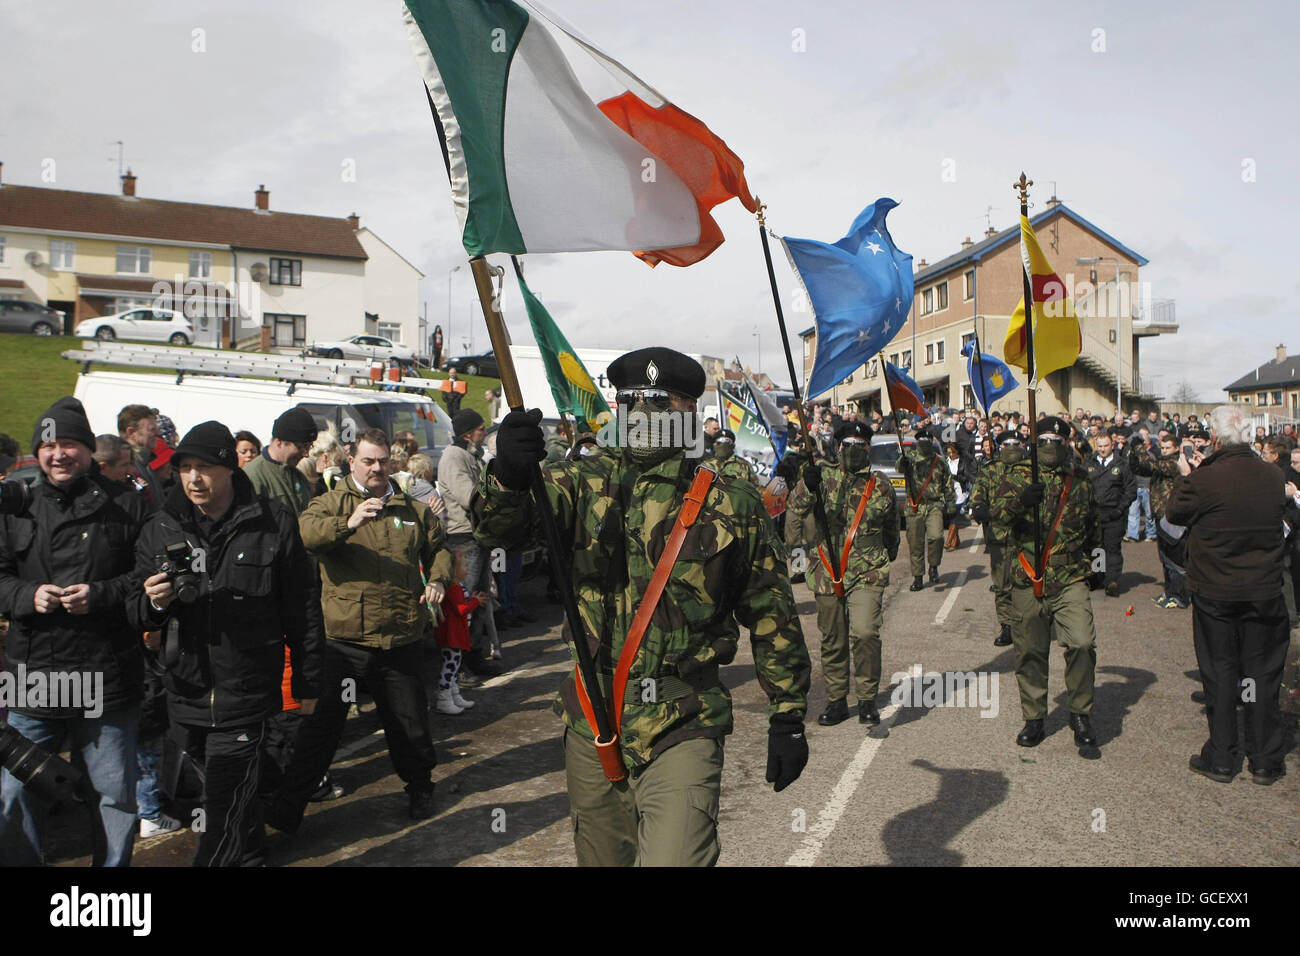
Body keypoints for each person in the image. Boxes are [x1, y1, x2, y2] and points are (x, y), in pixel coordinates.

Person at [479, 347, 810, 867]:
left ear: (689, 414)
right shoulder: (581, 482)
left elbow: (772, 613)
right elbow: (502, 532)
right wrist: (508, 476)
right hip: (595, 717)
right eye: (635, 401)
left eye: (663, 402)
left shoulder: (732, 501)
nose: (647, 414)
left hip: (684, 719)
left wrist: (787, 716)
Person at [128, 421, 324, 865]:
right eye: (185, 468)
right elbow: (133, 610)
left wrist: (309, 684)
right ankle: (251, 854)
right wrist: (154, 605)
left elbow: (302, 608)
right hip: (186, 693)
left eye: (205, 467)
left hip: (247, 691)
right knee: (227, 798)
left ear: (230, 469)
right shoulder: (161, 527)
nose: (194, 478)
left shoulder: (273, 523)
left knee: (221, 803)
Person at [268, 428, 452, 830]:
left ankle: (420, 787)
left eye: (383, 460)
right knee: (319, 731)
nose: (377, 468)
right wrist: (347, 523)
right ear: (351, 462)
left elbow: (439, 548)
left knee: (410, 726)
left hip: (399, 636)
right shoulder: (329, 504)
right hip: (343, 642)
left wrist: (437, 580)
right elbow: (305, 537)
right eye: (368, 461)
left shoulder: (411, 508)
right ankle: (286, 812)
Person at [0, 397, 149, 867]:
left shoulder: (127, 503)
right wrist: (28, 597)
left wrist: (101, 594)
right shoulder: (15, 505)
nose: (58, 454)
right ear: (37, 453)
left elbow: (146, 576)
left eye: (69, 444)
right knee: (12, 795)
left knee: (113, 797)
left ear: (88, 451)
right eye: (48, 445)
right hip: (32, 676)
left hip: (106, 676)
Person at [1165, 406, 1290, 785]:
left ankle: (1222, 756)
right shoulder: (1272, 475)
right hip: (1263, 590)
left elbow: (1174, 514)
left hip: (1217, 591)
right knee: (1261, 675)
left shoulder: (1206, 478)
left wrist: (1190, 476)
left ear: (1216, 438)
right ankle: (1264, 758)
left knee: (1220, 671)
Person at [987, 416, 1101, 750]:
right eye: (1044, 437)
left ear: (1066, 443)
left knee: (1082, 643)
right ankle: (1034, 717)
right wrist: (1020, 501)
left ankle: (1080, 712)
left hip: (1070, 577)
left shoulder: (1080, 481)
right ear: (1034, 442)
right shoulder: (1017, 476)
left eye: (1057, 438)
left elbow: (1095, 527)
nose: (1050, 443)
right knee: (1030, 651)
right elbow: (995, 519)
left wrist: (1099, 567)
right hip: (1027, 575)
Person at [786, 420, 898, 726]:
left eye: (859, 446)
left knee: (865, 633)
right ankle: (836, 700)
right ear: (838, 447)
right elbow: (794, 507)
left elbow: (891, 529)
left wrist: (884, 558)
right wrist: (807, 485)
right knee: (833, 639)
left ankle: (866, 699)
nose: (853, 451)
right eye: (847, 445)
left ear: (868, 449)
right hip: (828, 569)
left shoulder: (881, 484)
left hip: (867, 572)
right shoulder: (821, 476)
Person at [437, 408, 501, 682]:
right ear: (467, 433)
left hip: (476, 535)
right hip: (462, 537)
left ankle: (474, 657)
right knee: (465, 602)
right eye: (480, 428)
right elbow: (469, 496)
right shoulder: (454, 457)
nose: (484, 433)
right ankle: (460, 667)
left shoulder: (468, 456)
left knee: (480, 599)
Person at [969, 432, 1027, 647]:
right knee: (1003, 585)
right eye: (1006, 444)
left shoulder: (1031, 470)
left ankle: (1029, 622)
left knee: (1029, 582)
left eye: (1015, 444)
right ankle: (1007, 625)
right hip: (1000, 537)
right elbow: (978, 497)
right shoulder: (990, 470)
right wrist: (979, 508)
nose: (1011, 447)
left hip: (1027, 537)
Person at [1130, 433, 1188, 609]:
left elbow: (1150, 464)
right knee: (1165, 558)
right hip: (1160, 514)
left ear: (1176, 448)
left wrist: (1140, 446)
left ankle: (1180, 596)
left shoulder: (1175, 463)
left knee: (1175, 559)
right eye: (1162, 448)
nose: (1164, 451)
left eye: (1168, 448)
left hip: (1172, 516)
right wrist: (1133, 452)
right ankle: (1170, 592)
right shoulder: (1163, 462)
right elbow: (1140, 468)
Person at [899, 427, 954, 590]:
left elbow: (948, 483)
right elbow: (899, 467)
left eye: (927, 441)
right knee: (915, 543)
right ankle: (917, 578)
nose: (924, 444)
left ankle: (934, 565)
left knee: (936, 537)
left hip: (934, 504)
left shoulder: (940, 461)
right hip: (915, 505)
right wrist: (902, 462)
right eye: (921, 441)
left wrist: (950, 503)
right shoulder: (909, 458)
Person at [434, 550, 486, 715]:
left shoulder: (456, 587)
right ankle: (444, 698)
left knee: (454, 666)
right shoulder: (453, 588)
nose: (467, 569)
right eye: (464, 566)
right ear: (454, 571)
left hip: (454, 633)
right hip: (452, 635)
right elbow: (461, 609)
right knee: (450, 666)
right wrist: (475, 602)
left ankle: (454, 695)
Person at [1086, 429, 1136, 597]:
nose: (1102, 449)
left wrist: (1120, 508)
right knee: (1095, 548)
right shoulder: (1088, 463)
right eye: (1099, 446)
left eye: (1106, 445)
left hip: (1114, 513)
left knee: (1112, 548)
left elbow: (1130, 489)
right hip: (1093, 514)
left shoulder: (1121, 464)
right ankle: (1096, 578)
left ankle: (1111, 580)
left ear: (1112, 445)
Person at [243, 408, 317, 514]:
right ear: (279, 443)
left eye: (309, 447)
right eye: (301, 447)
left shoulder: (299, 477)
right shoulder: (252, 477)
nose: (306, 454)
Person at [118, 404, 165, 510]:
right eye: (152, 429)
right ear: (131, 432)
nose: (158, 433)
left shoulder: (145, 462)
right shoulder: (124, 469)